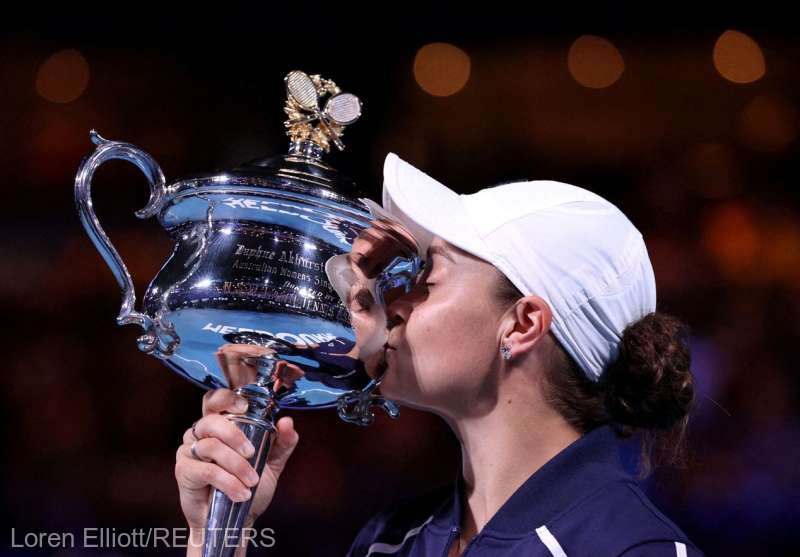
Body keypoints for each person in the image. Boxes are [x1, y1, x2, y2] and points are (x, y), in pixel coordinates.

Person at [174, 153, 703, 556]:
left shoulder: (636, 549)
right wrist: (217, 533)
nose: (392, 302)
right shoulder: (389, 540)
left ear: (522, 324)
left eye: (428, 275)